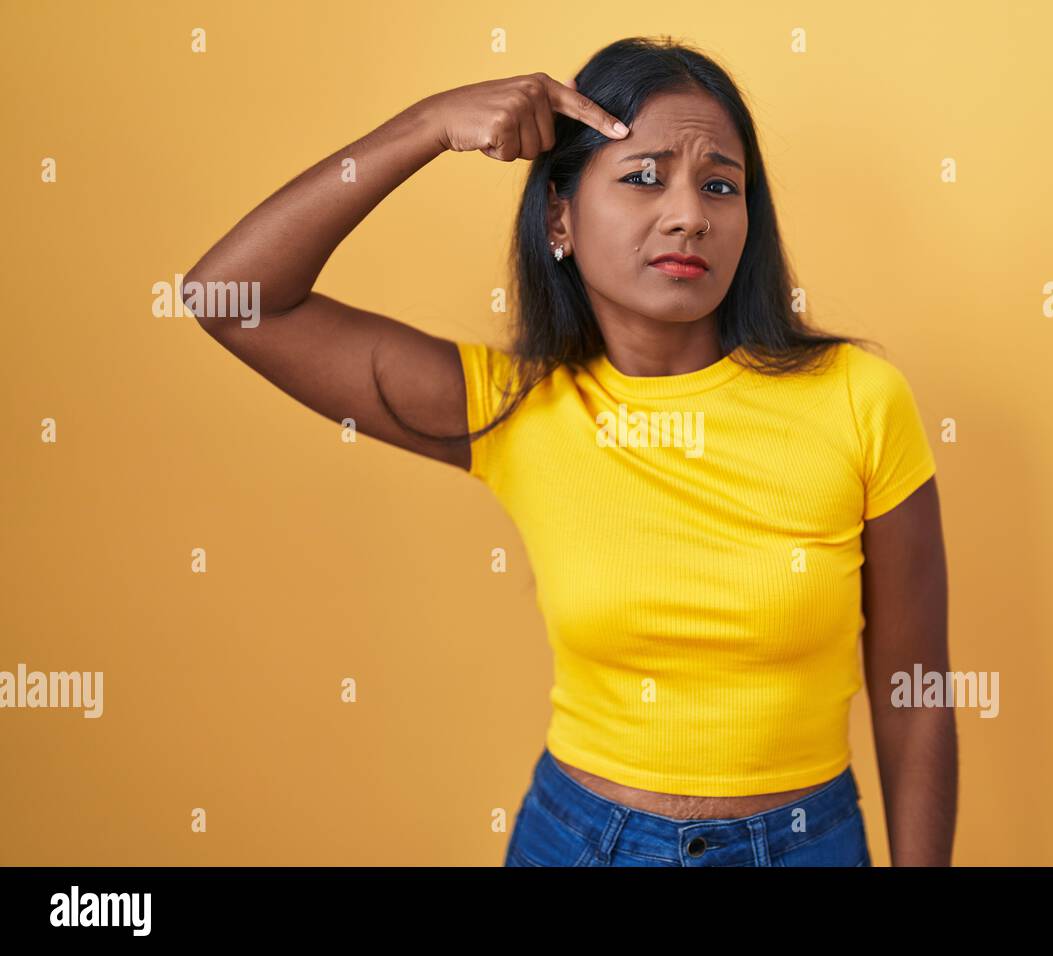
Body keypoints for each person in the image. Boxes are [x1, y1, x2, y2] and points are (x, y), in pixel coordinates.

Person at [184, 36, 955, 867]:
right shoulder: (518, 407)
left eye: (721, 185)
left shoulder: (857, 398)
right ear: (560, 215)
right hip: (581, 842)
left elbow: (915, 699)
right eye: (644, 176)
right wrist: (428, 124)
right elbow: (231, 297)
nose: (690, 212)